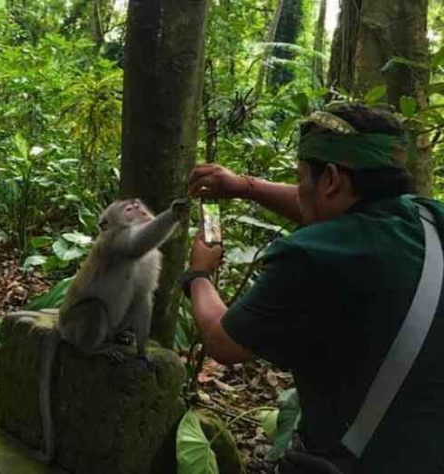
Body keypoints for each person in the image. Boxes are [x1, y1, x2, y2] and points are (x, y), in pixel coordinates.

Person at [185, 105, 444, 473]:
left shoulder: (312, 257)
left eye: (302, 176)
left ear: (332, 178)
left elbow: (224, 342)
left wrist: (198, 275)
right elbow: (335, 211)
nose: (299, 187)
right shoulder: (431, 218)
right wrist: (245, 187)